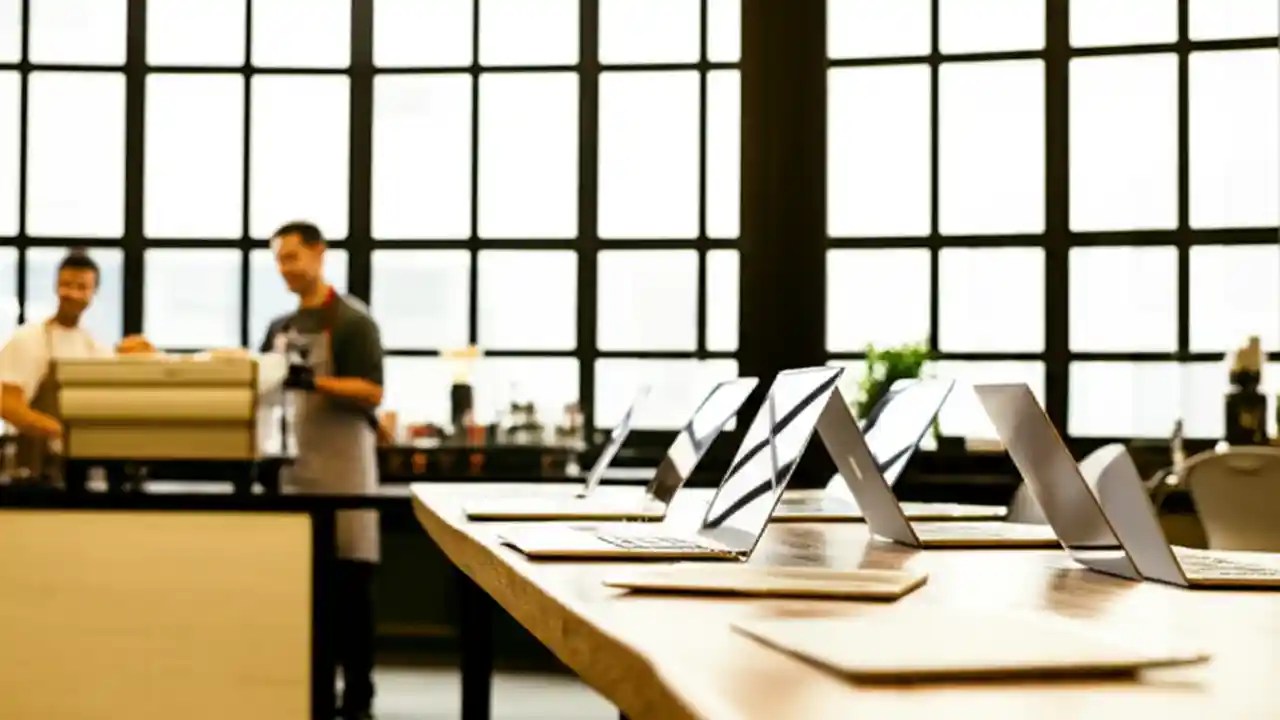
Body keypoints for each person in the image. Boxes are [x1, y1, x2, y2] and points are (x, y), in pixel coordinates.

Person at [259, 221, 384, 720]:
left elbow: (372, 392)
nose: (286, 268)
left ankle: (358, 696)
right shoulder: (279, 326)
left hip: (344, 470)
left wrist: (315, 382)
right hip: (295, 469)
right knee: (307, 590)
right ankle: (311, 692)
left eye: (292, 257)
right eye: (279, 259)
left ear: (319, 253)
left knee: (351, 590)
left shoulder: (353, 321)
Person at [0, 250, 153, 482]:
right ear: (56, 286)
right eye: (66, 285)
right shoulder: (29, 338)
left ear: (93, 292)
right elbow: (7, 404)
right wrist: (61, 433)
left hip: (77, 468)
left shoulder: (89, 343)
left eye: (81, 287)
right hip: (34, 470)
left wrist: (139, 355)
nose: (72, 293)